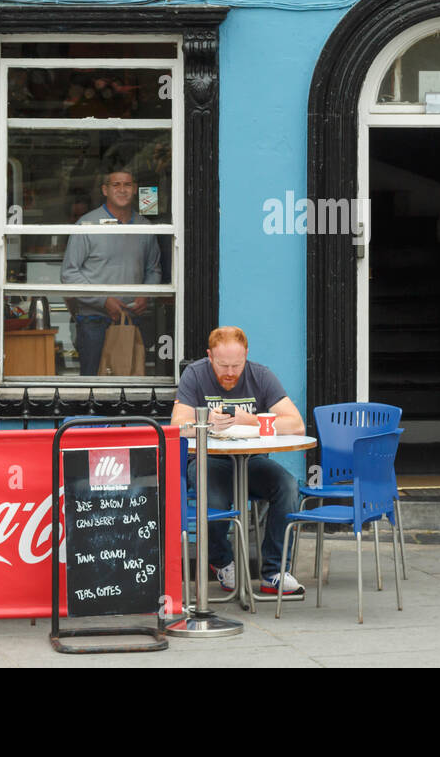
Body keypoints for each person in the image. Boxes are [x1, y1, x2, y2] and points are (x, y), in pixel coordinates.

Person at [171, 326, 306, 596]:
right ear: (210, 357)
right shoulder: (195, 374)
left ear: (247, 356)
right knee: (213, 496)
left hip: (252, 461)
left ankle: (274, 572)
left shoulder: (261, 375)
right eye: (223, 365)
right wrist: (206, 420)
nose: (231, 372)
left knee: (288, 486)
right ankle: (222, 562)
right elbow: (177, 426)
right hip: (207, 460)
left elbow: (297, 425)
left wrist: (250, 420)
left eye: (237, 364)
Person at [60, 168, 161, 376]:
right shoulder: (87, 224)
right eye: (116, 185)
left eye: (127, 185)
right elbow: (69, 273)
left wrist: (145, 294)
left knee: (132, 383)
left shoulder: (145, 226)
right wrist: (104, 300)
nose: (122, 190)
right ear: (105, 190)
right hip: (94, 322)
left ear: (134, 190)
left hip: (132, 320)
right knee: (92, 386)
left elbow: (154, 269)